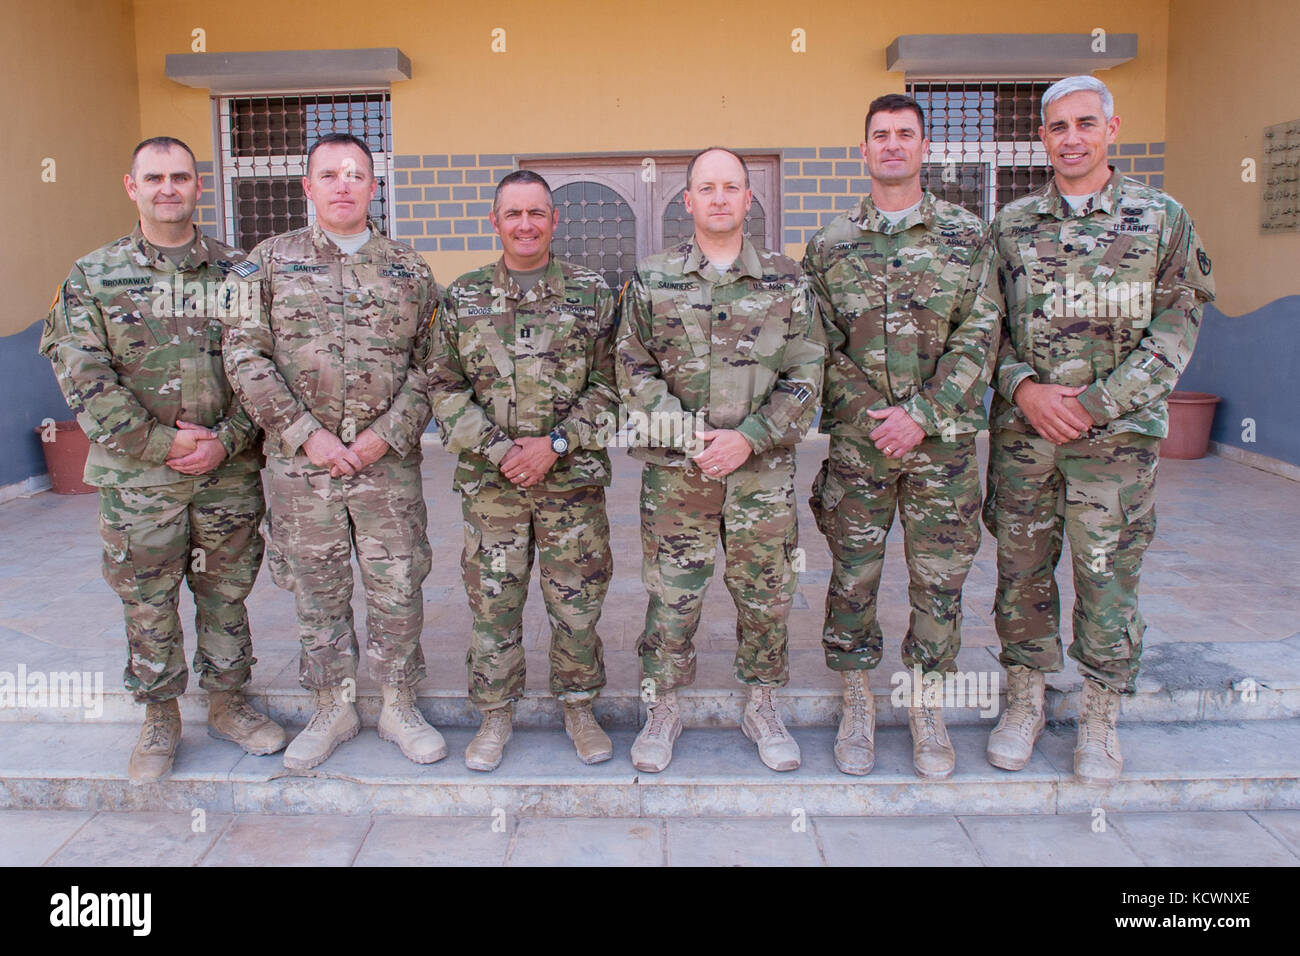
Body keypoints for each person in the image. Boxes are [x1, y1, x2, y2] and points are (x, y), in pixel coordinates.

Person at [984, 75, 1214, 783]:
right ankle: (1024, 702)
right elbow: (983, 325)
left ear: (1113, 129)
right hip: (1027, 442)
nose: (1071, 138)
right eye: (1057, 127)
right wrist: (1022, 387)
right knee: (1021, 575)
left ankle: (1100, 716)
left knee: (1108, 578)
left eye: (1085, 123)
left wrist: (1097, 403)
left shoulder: (1161, 219)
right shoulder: (1013, 224)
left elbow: (1179, 323)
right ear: (1044, 137)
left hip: (1112, 448)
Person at [39, 136, 282, 783]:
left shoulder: (240, 274)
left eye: (180, 176)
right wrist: (160, 443)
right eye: (155, 178)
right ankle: (160, 718)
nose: (167, 187)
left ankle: (229, 703)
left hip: (225, 473)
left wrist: (224, 440)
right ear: (132, 186)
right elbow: (83, 376)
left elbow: (262, 372)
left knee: (226, 594)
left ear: (198, 186)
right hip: (139, 477)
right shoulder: (93, 275)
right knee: (147, 599)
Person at [222, 132, 445, 770]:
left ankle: (399, 705)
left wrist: (385, 435)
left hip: (387, 467)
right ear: (308, 187)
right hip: (301, 469)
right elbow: (243, 355)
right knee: (316, 588)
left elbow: (435, 365)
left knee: (397, 584)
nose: (342, 185)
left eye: (355, 174)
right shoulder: (261, 263)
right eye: (329, 175)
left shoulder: (410, 269)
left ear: (374, 186)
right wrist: (306, 434)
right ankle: (333, 706)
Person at [804, 94, 1002, 779]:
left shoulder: (968, 236)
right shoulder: (829, 245)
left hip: (941, 451)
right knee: (852, 580)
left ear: (924, 148)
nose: (892, 145)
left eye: (905, 135)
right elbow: (816, 349)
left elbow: (981, 334)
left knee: (938, 584)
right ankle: (857, 700)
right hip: (859, 453)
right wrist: (874, 416)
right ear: (863, 150)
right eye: (880, 135)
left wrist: (922, 412)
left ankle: (926, 706)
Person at [616, 147, 825, 773]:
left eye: (731, 187)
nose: (719, 198)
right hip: (680, 476)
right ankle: (664, 707)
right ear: (687, 200)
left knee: (766, 593)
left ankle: (761, 703)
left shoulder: (787, 281)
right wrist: (690, 435)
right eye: (706, 188)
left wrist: (751, 436)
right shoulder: (653, 279)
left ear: (748, 197)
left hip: (761, 474)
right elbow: (632, 366)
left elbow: (807, 369)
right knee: (671, 594)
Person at [426, 170, 619, 770]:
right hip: (492, 488)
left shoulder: (591, 293)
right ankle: (495, 714)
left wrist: (555, 443)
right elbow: (441, 383)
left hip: (571, 486)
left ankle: (580, 707)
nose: (526, 224)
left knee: (577, 605)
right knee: (494, 606)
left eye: (537, 212)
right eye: (514, 213)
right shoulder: (463, 297)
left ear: (554, 220)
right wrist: (498, 447)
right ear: (496, 221)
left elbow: (614, 384)